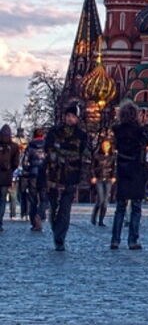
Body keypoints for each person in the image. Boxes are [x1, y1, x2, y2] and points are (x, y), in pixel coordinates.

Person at [110, 100, 148, 250]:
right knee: (136, 207)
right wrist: (145, 125)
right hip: (136, 170)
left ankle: (115, 240)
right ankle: (132, 240)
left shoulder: (117, 130)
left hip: (123, 170)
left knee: (120, 208)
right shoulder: (139, 131)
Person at [44, 103, 88, 251]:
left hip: (71, 176)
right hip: (54, 177)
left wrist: (63, 155)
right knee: (53, 209)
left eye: (73, 116)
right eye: (68, 116)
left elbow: (82, 155)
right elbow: (48, 150)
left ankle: (60, 238)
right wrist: (59, 156)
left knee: (65, 209)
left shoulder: (81, 136)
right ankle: (56, 230)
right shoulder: (54, 132)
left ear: (77, 119)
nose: (70, 119)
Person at [21, 127, 47, 231]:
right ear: (43, 136)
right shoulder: (47, 146)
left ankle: (34, 223)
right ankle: (39, 215)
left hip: (32, 175)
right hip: (44, 175)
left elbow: (25, 163)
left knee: (33, 200)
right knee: (44, 199)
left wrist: (29, 168)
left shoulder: (30, 147)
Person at [90, 138, 116, 226]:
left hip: (108, 179)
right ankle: (94, 216)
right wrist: (93, 177)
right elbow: (92, 167)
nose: (106, 147)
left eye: (107, 145)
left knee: (105, 201)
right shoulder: (97, 155)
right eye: (104, 145)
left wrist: (113, 177)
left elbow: (114, 168)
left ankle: (101, 220)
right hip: (99, 178)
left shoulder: (112, 156)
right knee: (100, 199)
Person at [0, 124, 20, 231]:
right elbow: (16, 163)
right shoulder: (14, 146)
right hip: (5, 176)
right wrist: (10, 171)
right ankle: (0, 222)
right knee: (2, 200)